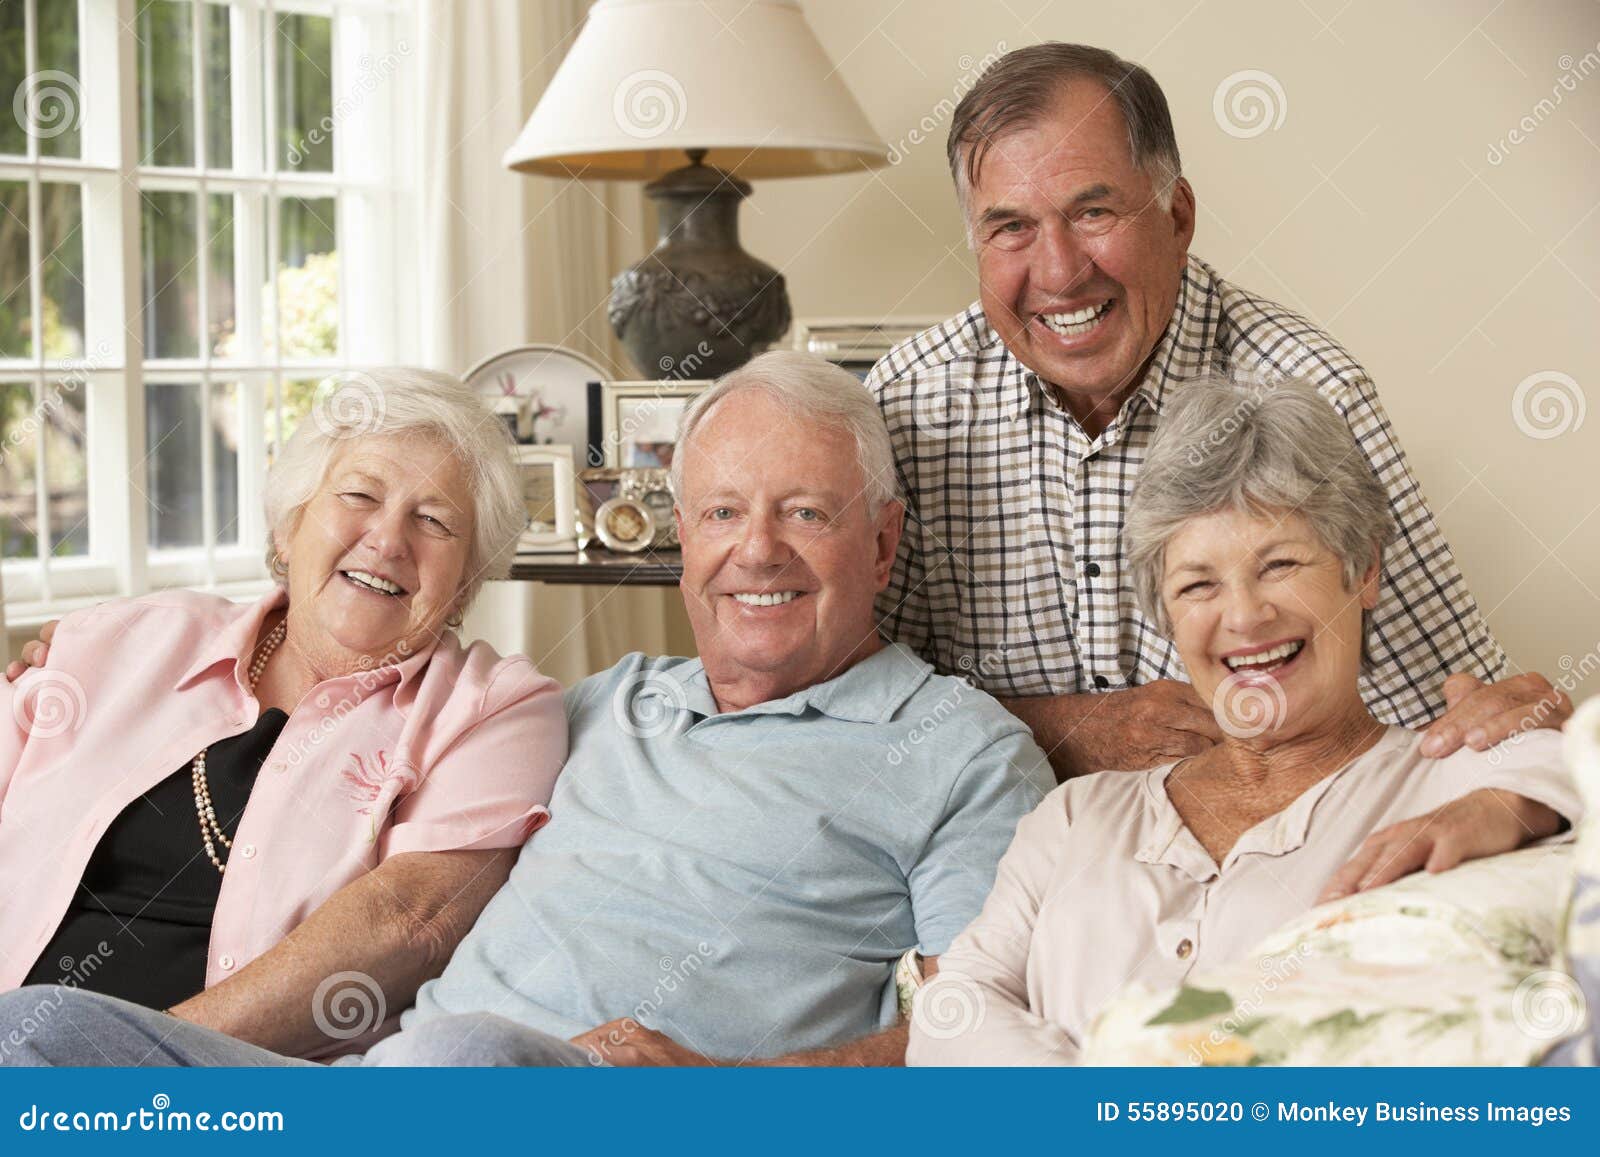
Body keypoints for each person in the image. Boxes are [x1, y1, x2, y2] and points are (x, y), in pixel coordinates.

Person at [0, 350, 1054, 1067]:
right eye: (722, 511)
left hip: (587, 1095)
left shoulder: (957, 752)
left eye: (806, 513)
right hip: (369, 1088)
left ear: (880, 540)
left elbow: (974, 1028)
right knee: (38, 1031)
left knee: (475, 1053)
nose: (757, 549)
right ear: (680, 538)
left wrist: (729, 1091)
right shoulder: (601, 705)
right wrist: (56, 681)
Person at [867, 42, 1569, 780]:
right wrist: (1066, 728)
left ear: (1177, 216)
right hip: (1005, 857)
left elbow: (1446, 712)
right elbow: (848, 708)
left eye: (1094, 211)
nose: (1059, 272)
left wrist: (1529, 739)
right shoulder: (909, 403)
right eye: (1011, 228)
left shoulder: (1310, 391)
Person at [905, 378, 1581, 1065]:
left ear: (1365, 567)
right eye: (1198, 583)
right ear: (1165, 611)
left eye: (1279, 564)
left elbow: (1572, 780)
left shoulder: (1457, 781)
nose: (1245, 615)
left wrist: (1523, 790)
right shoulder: (1076, 815)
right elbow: (953, 1012)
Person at [0, 369, 567, 1060]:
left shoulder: (492, 708)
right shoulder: (120, 641)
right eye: (360, 494)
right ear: (288, 523)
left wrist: (125, 1059)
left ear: (467, 582)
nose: (389, 539)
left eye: (434, 520)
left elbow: (408, 920)